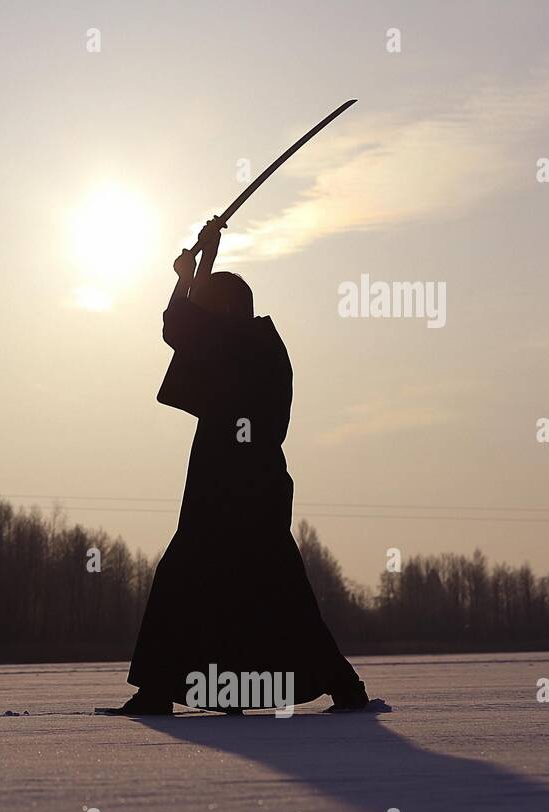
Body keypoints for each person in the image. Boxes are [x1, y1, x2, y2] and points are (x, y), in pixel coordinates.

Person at [110, 217, 369, 715]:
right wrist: (203, 263)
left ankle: (162, 689)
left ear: (225, 312)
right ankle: (164, 689)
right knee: (225, 582)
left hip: (240, 489)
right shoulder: (250, 345)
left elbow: (182, 326)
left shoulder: (247, 346)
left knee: (242, 582)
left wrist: (191, 271)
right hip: (235, 486)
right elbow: (191, 331)